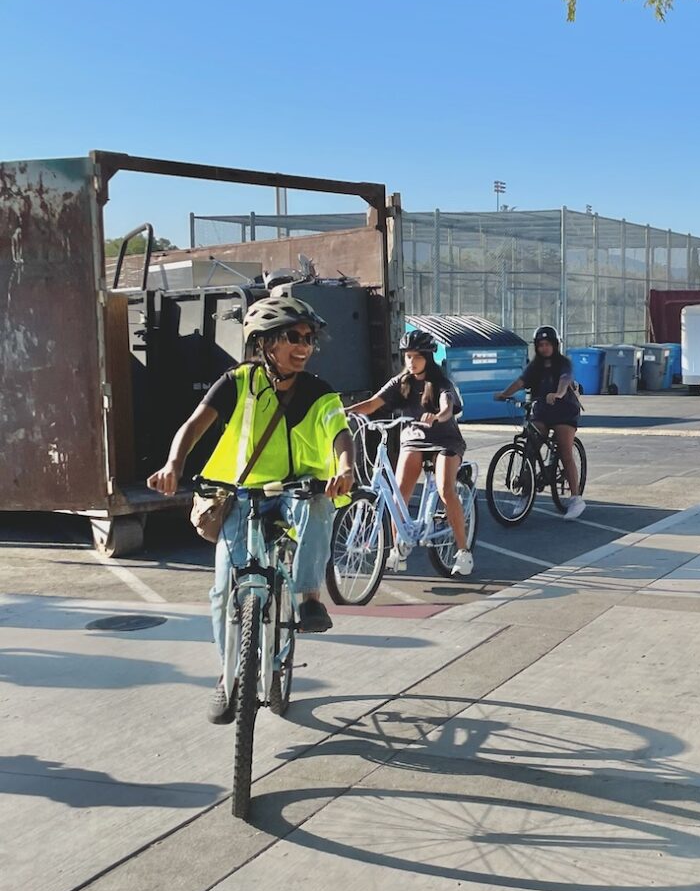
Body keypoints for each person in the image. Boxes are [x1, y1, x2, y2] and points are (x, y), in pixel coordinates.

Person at [148, 296, 355, 723]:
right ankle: (228, 679)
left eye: (309, 338)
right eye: (293, 338)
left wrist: (346, 467)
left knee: (318, 505)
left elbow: (340, 433)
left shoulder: (320, 391)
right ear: (264, 343)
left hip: (300, 488)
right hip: (242, 493)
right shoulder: (238, 381)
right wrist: (174, 464)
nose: (304, 346)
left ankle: (308, 597)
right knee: (224, 589)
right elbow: (193, 425)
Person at [347, 328, 473, 577]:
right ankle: (398, 548)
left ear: (428, 357)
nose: (411, 362)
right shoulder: (401, 382)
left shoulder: (440, 383)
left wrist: (437, 416)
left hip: (445, 440)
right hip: (414, 439)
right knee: (399, 492)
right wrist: (345, 411)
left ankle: (463, 552)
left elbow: (448, 407)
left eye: (416, 357)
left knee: (446, 488)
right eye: (407, 357)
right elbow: (373, 403)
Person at [494, 325, 585, 519]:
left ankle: (576, 499)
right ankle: (525, 494)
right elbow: (520, 382)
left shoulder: (563, 363)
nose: (544, 348)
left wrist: (558, 394)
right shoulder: (534, 367)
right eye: (540, 345)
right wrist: (504, 394)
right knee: (530, 447)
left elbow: (564, 380)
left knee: (565, 450)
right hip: (542, 410)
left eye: (547, 344)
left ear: (555, 345)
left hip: (564, 410)